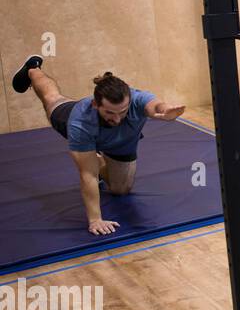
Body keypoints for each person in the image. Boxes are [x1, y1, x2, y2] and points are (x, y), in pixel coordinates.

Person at [10, 57, 186, 234]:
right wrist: (95, 219)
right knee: (52, 98)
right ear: (95, 104)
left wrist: (165, 111)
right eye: (110, 113)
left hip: (120, 142)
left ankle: (100, 160)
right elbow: (88, 175)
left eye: (122, 112)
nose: (117, 119)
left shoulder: (138, 99)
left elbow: (155, 106)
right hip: (74, 119)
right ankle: (33, 69)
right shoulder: (79, 123)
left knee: (121, 189)